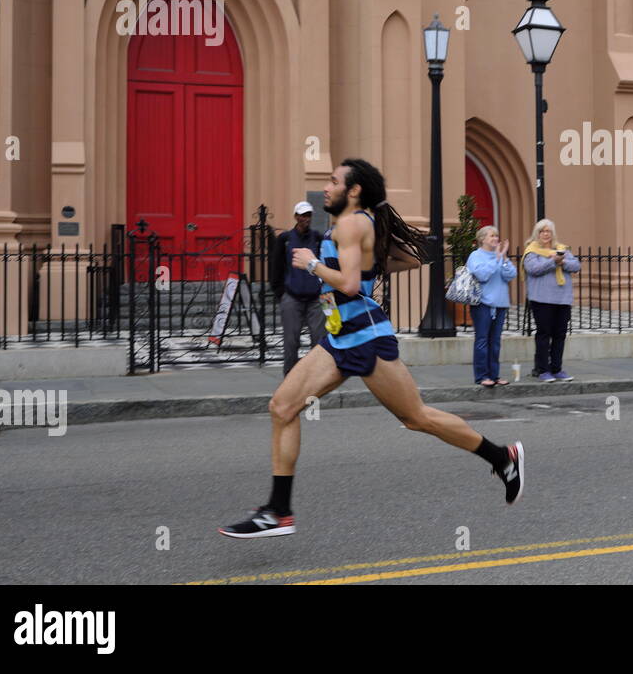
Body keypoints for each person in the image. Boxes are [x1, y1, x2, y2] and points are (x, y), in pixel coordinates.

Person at [219, 159, 523, 538]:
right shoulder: (356, 223)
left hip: (366, 336)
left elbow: (347, 286)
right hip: (339, 336)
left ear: (355, 189)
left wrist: (313, 264)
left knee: (416, 418)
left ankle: (502, 458)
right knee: (282, 406)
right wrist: (372, 265)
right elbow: (409, 259)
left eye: (333, 182)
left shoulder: (351, 223)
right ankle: (278, 511)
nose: (326, 189)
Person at [270, 201, 326, 376]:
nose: (306, 219)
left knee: (319, 340)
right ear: (296, 217)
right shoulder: (285, 239)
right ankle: (290, 377)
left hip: (316, 298)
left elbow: (326, 265)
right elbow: (275, 267)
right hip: (292, 297)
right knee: (291, 342)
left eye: (308, 215)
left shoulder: (318, 238)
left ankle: (316, 376)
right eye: (302, 215)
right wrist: (281, 293)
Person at [523, 219, 581, 381]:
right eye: (542, 231)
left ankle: (557, 368)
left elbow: (576, 266)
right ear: (537, 233)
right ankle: (543, 370)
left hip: (562, 300)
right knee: (544, 334)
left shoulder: (562, 250)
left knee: (559, 334)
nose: (545, 234)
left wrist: (561, 261)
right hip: (542, 299)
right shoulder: (532, 251)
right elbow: (533, 269)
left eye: (548, 231)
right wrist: (552, 262)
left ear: (553, 233)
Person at [468, 225, 517, 388]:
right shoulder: (476, 256)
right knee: (482, 340)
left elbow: (511, 274)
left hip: (500, 304)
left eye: (497, 236)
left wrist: (503, 258)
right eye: (492, 236)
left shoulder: (499, 256)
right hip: (483, 304)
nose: (496, 239)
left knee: (495, 342)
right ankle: (482, 376)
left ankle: (494, 375)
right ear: (482, 239)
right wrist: (496, 260)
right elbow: (482, 275)